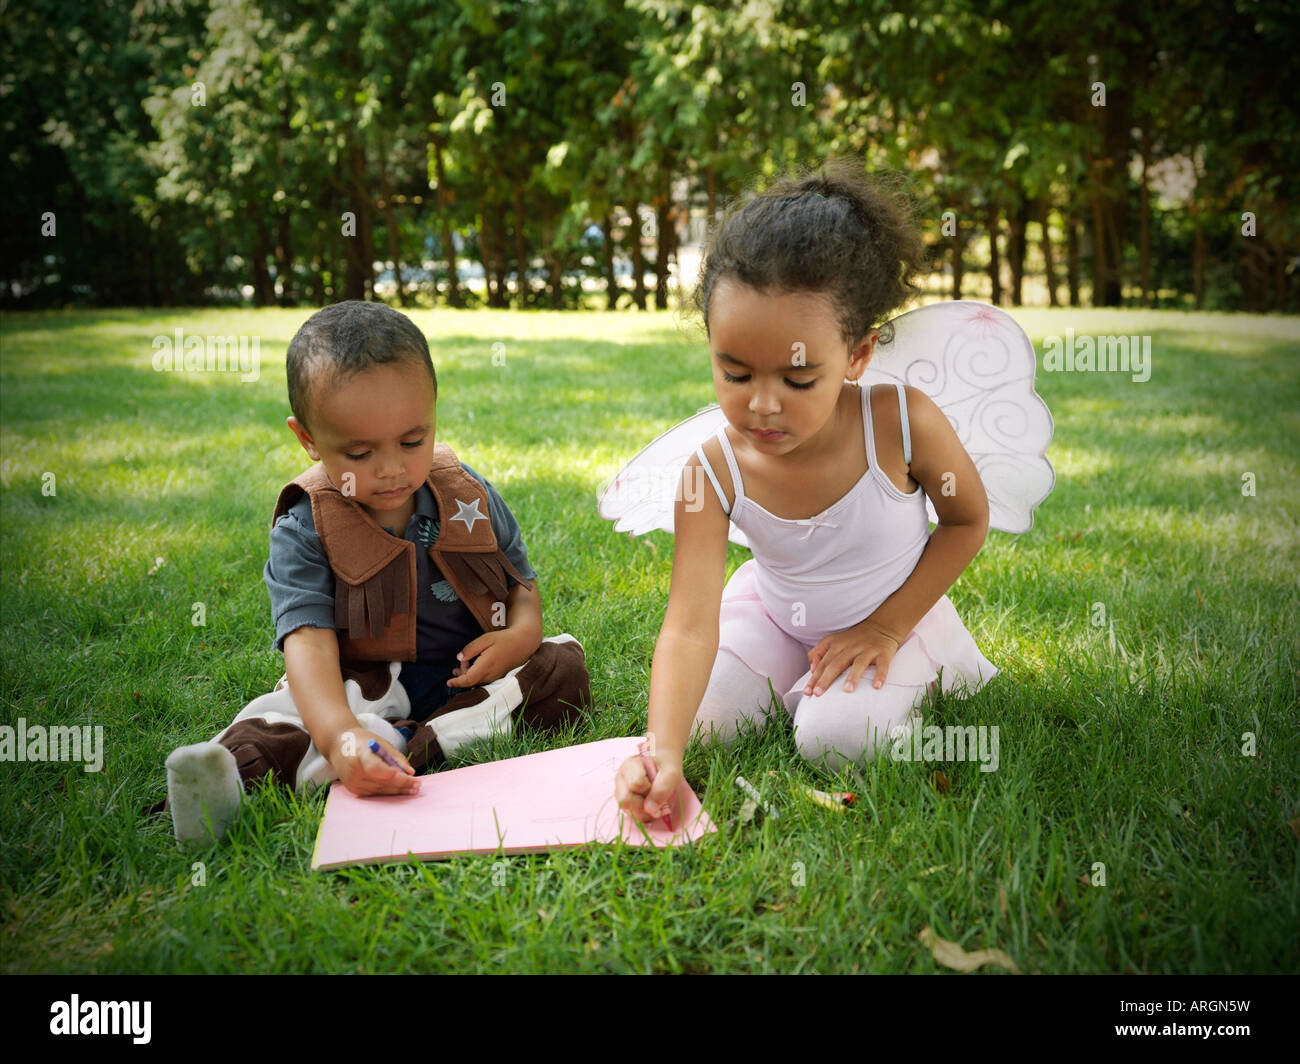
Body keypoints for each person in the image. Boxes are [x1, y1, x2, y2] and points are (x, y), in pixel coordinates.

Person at [613, 160, 1008, 824]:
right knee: (703, 728)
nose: (763, 405)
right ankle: (795, 684)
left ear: (856, 355)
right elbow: (687, 624)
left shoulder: (902, 425)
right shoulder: (710, 471)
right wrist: (664, 753)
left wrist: (884, 627)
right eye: (734, 372)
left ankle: (899, 684)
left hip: (893, 617)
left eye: (798, 380)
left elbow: (967, 521)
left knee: (834, 740)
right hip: (774, 615)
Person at [161, 300, 591, 844]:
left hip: (463, 674)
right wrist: (339, 731)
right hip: (356, 685)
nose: (392, 468)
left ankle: (393, 744)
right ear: (308, 439)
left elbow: (519, 584)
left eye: (413, 441)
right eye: (360, 452)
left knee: (560, 669)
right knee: (278, 725)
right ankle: (246, 777)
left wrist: (521, 635)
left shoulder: (466, 492)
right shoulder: (306, 524)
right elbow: (308, 648)